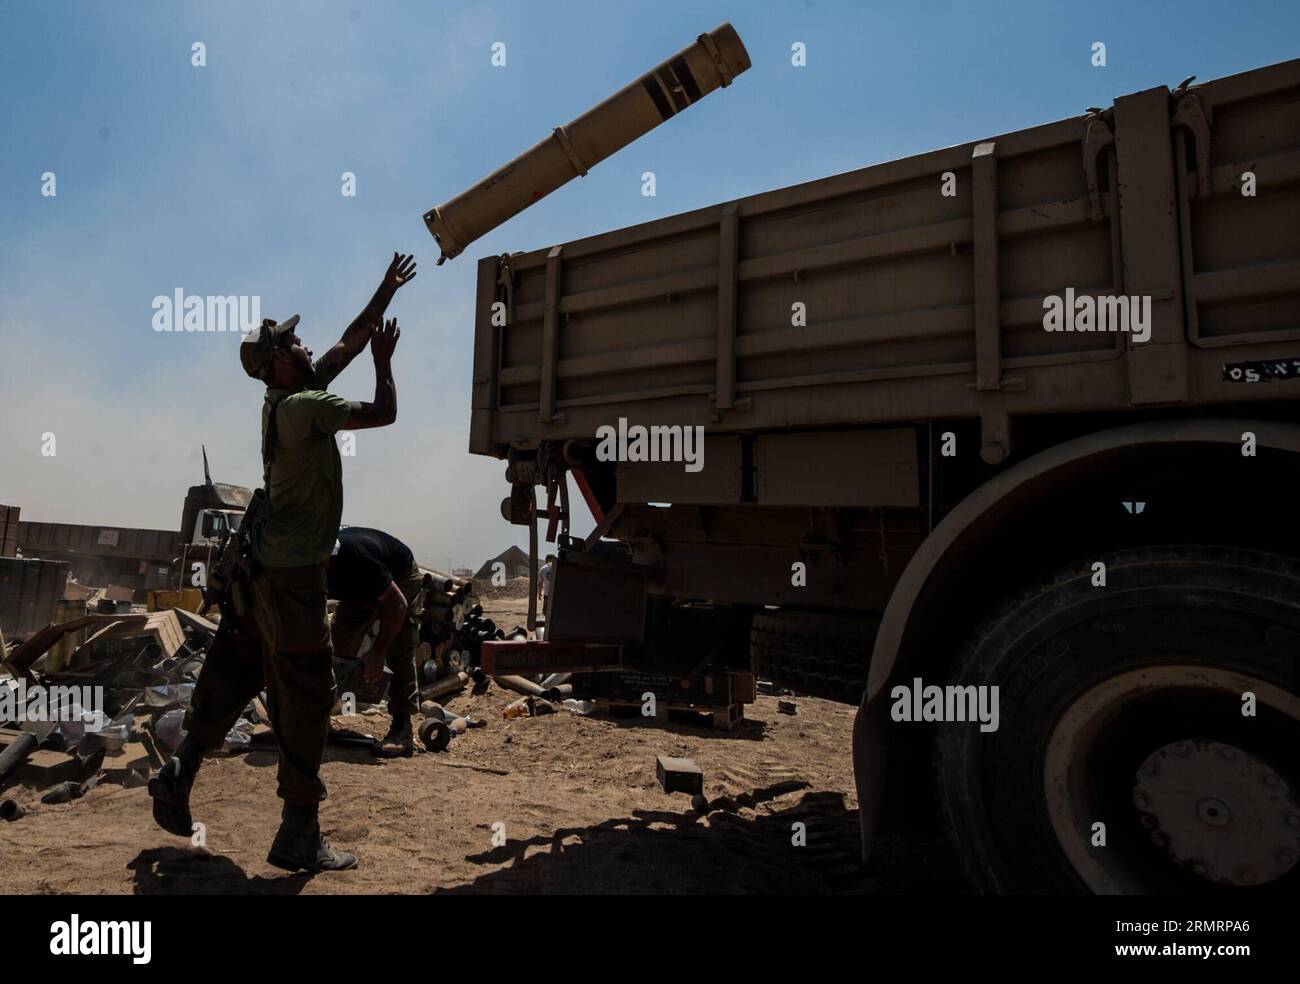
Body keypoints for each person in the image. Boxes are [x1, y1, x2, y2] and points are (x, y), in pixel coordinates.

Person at [148, 253, 415, 874]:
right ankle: (299, 831)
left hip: (257, 572)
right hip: (293, 578)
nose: (304, 341)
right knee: (307, 694)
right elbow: (383, 412)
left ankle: (178, 775)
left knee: (235, 668)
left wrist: (384, 290)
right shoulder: (304, 408)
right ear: (275, 361)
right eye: (293, 339)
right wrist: (385, 362)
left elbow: (344, 342)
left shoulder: (285, 399)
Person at [327, 527, 424, 757]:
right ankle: (321, 716)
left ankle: (402, 730)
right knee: (334, 642)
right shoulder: (308, 565)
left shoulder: (356, 560)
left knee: (398, 644)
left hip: (400, 576)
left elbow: (397, 605)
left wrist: (378, 651)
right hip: (361, 587)